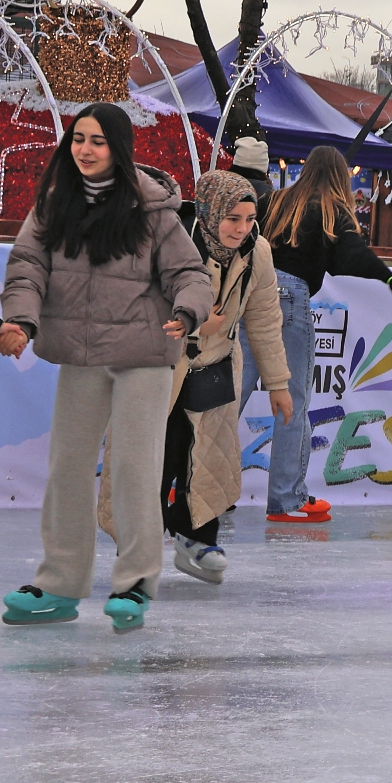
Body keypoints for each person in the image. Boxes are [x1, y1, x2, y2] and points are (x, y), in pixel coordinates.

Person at [0, 104, 214, 631]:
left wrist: (186, 312)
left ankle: (135, 582)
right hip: (82, 355)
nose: (86, 150)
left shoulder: (154, 209)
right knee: (68, 467)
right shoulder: (55, 202)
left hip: (143, 353)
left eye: (97, 141)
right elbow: (28, 266)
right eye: (78, 139)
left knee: (135, 468)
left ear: (118, 147)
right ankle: (59, 583)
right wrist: (21, 322)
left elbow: (190, 273)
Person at [147, 171, 292, 585]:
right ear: (211, 212)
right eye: (232, 218)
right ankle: (140, 544)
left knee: (210, 457)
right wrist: (194, 324)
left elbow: (264, 319)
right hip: (166, 365)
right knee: (160, 456)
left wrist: (278, 383)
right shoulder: (175, 239)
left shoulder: (257, 251)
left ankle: (198, 538)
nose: (242, 228)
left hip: (217, 363)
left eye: (249, 218)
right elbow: (143, 302)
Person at [255, 145, 392, 525]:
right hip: (291, 298)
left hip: (253, 293)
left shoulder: (274, 202)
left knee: (229, 393)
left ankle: (194, 487)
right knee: (292, 401)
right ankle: (286, 499)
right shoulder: (332, 211)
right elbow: (353, 257)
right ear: (341, 177)